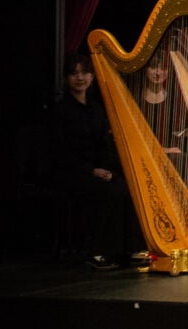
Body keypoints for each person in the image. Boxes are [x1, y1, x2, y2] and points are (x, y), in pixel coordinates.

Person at [53, 56, 141, 268]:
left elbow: (104, 145)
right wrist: (92, 170)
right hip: (74, 171)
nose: (80, 78)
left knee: (128, 186)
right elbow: (61, 151)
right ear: (67, 78)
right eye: (74, 73)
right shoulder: (61, 110)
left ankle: (129, 250)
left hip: (99, 170)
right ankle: (98, 252)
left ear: (92, 76)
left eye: (84, 72)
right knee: (112, 191)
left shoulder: (97, 108)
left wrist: (107, 169)